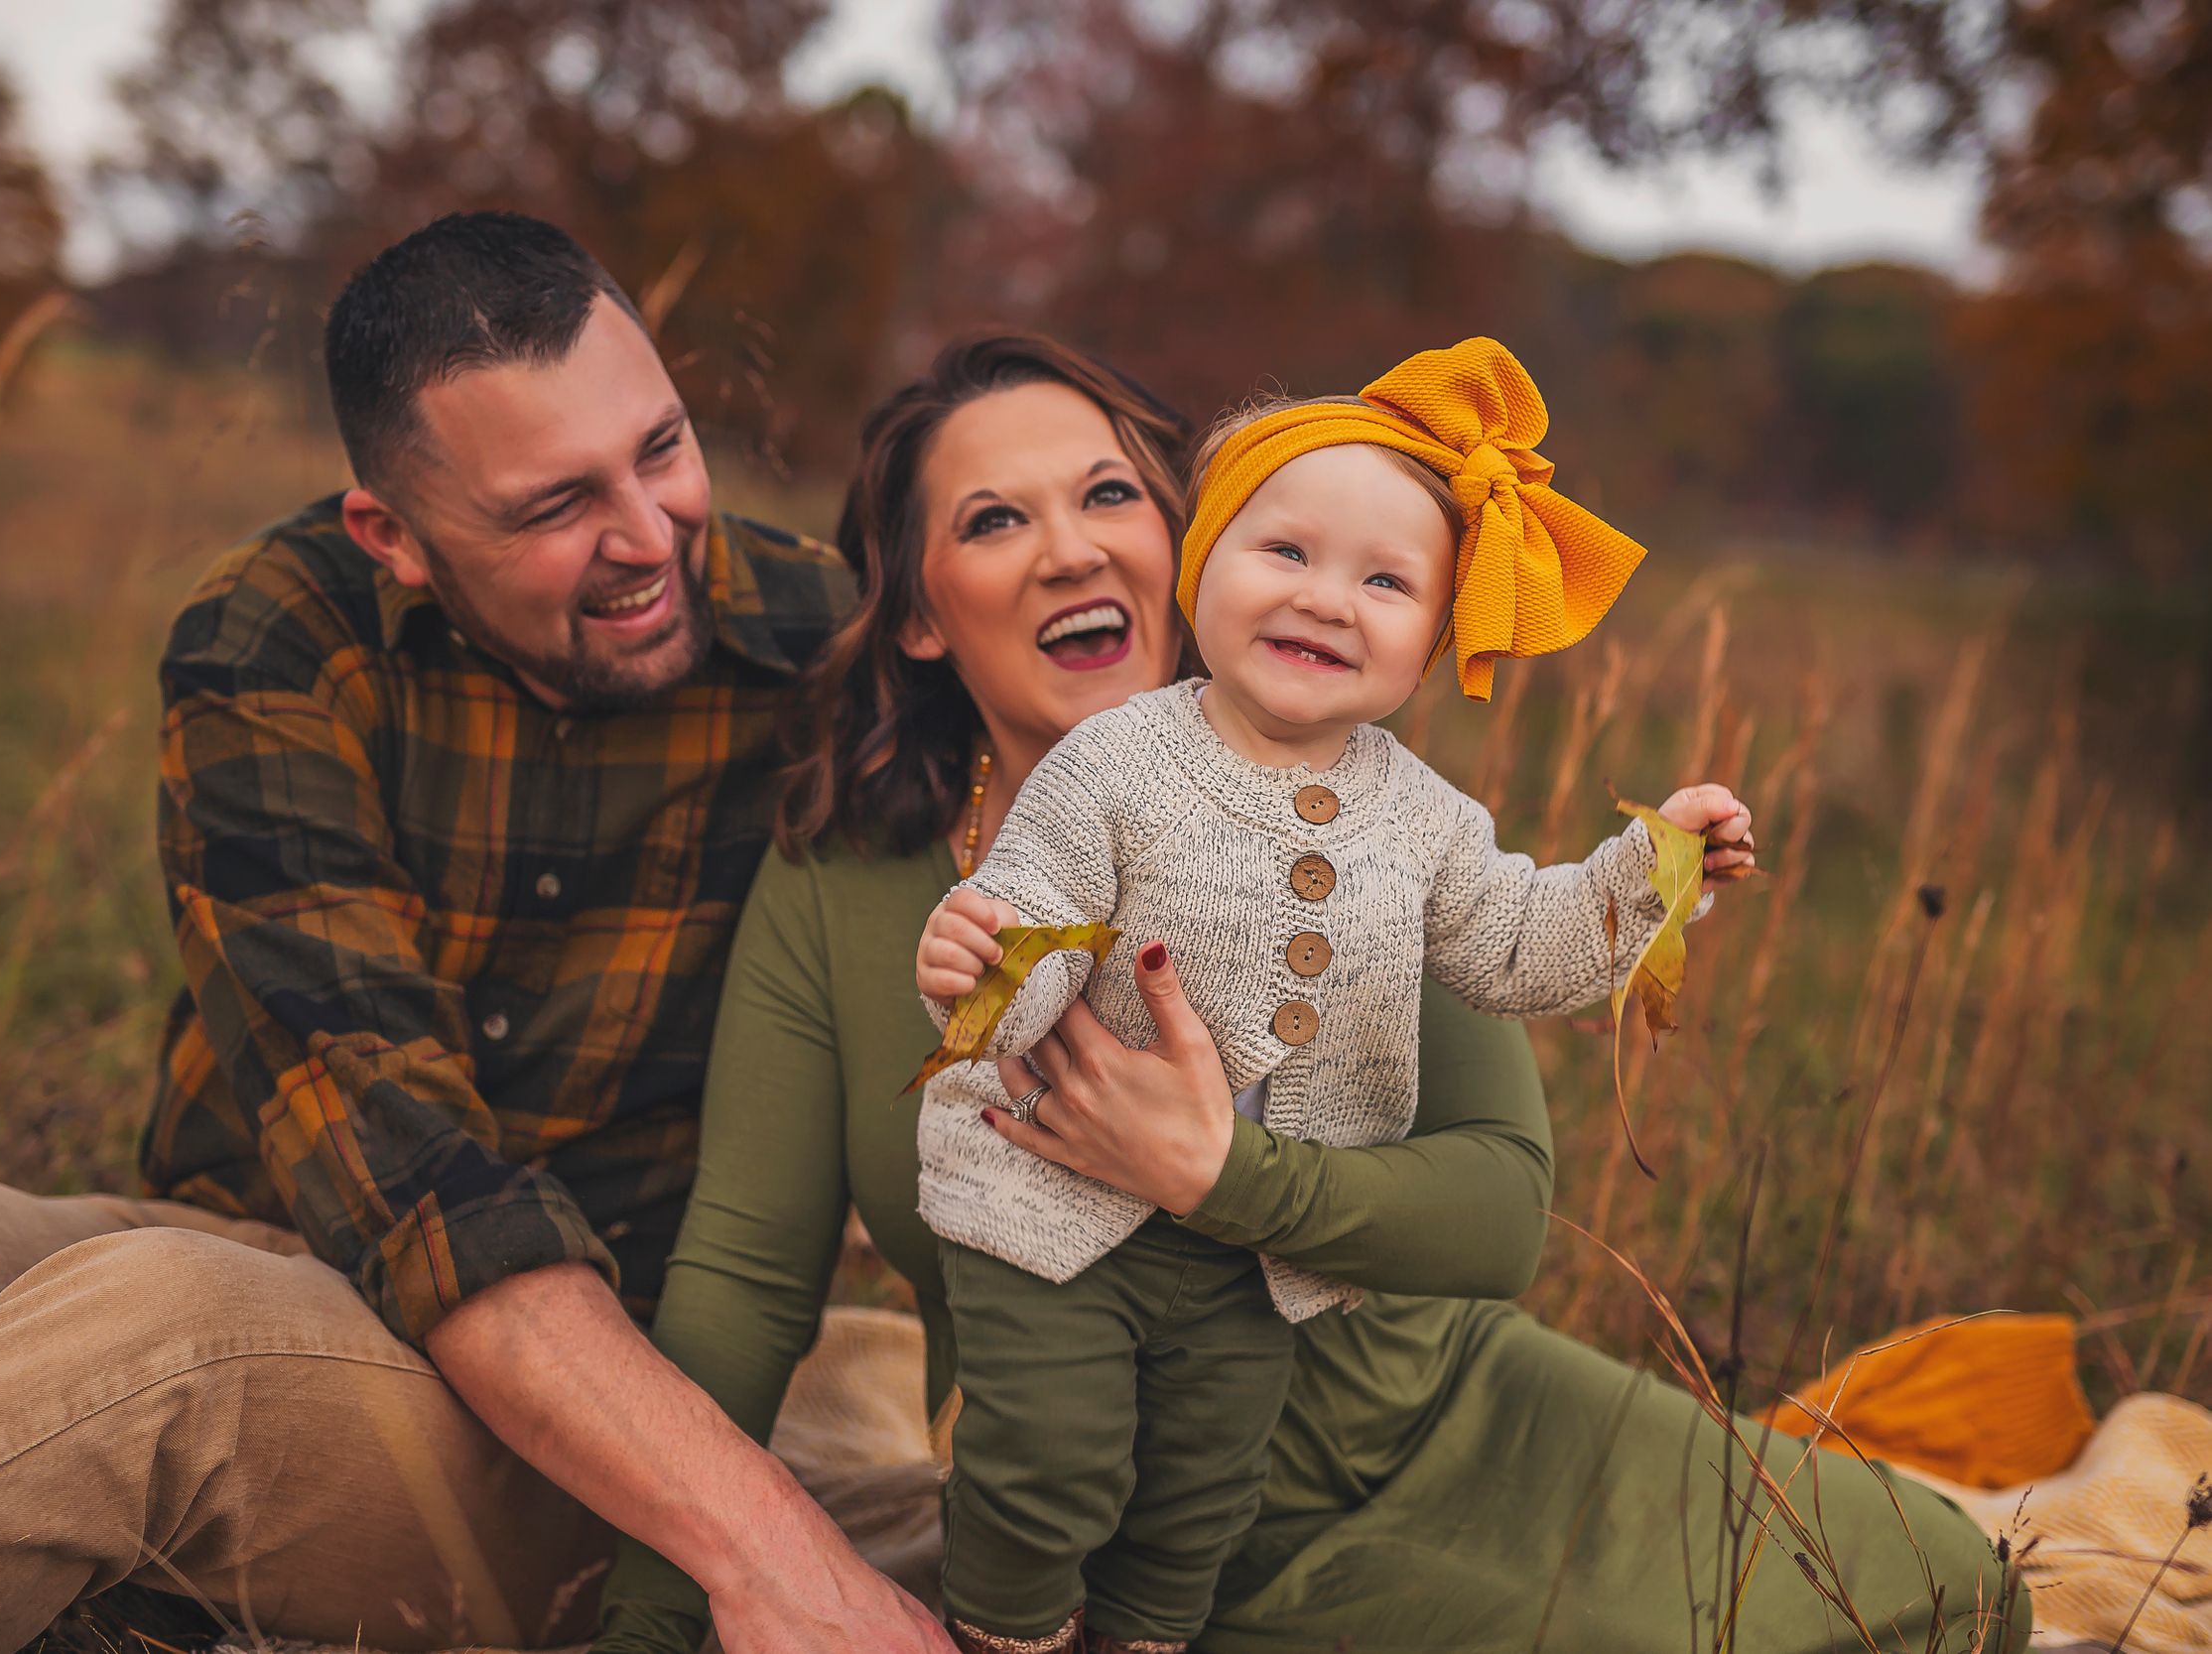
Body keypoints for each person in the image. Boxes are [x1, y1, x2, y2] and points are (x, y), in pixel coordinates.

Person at [593, 331, 2029, 1654]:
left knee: (1948, 1598)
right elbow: (741, 1276)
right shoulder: (844, 881)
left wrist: (1220, 1173)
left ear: (1186, 539)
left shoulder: (1354, 823)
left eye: (1108, 494)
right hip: (1126, 1550)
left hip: (1448, 1417)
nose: (1068, 551)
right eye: (992, 521)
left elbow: (1499, 1207)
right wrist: (657, 1623)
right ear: (918, 613)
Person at [0, 211, 953, 1654]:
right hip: (272, 1244)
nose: (648, 538)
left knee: (160, 1339)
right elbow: (400, 1165)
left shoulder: (836, 651)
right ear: (397, 536)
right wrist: (774, 1560)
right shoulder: (278, 637)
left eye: (663, 450)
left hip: (615, 1389)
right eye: (554, 506)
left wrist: (767, 1556)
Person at [909, 339, 1756, 1653]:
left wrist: (1648, 877)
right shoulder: (1117, 757)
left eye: (1386, 580)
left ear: (1433, 640)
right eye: (1286, 552)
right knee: (1050, 1461)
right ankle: (1001, 1630)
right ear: (1204, 574)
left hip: (1251, 1260)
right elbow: (1038, 906)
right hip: (1048, 1201)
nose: (1330, 599)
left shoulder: (1425, 822)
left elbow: (1518, 948)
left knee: (1200, 1493)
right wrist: (985, 973)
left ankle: (1140, 1637)